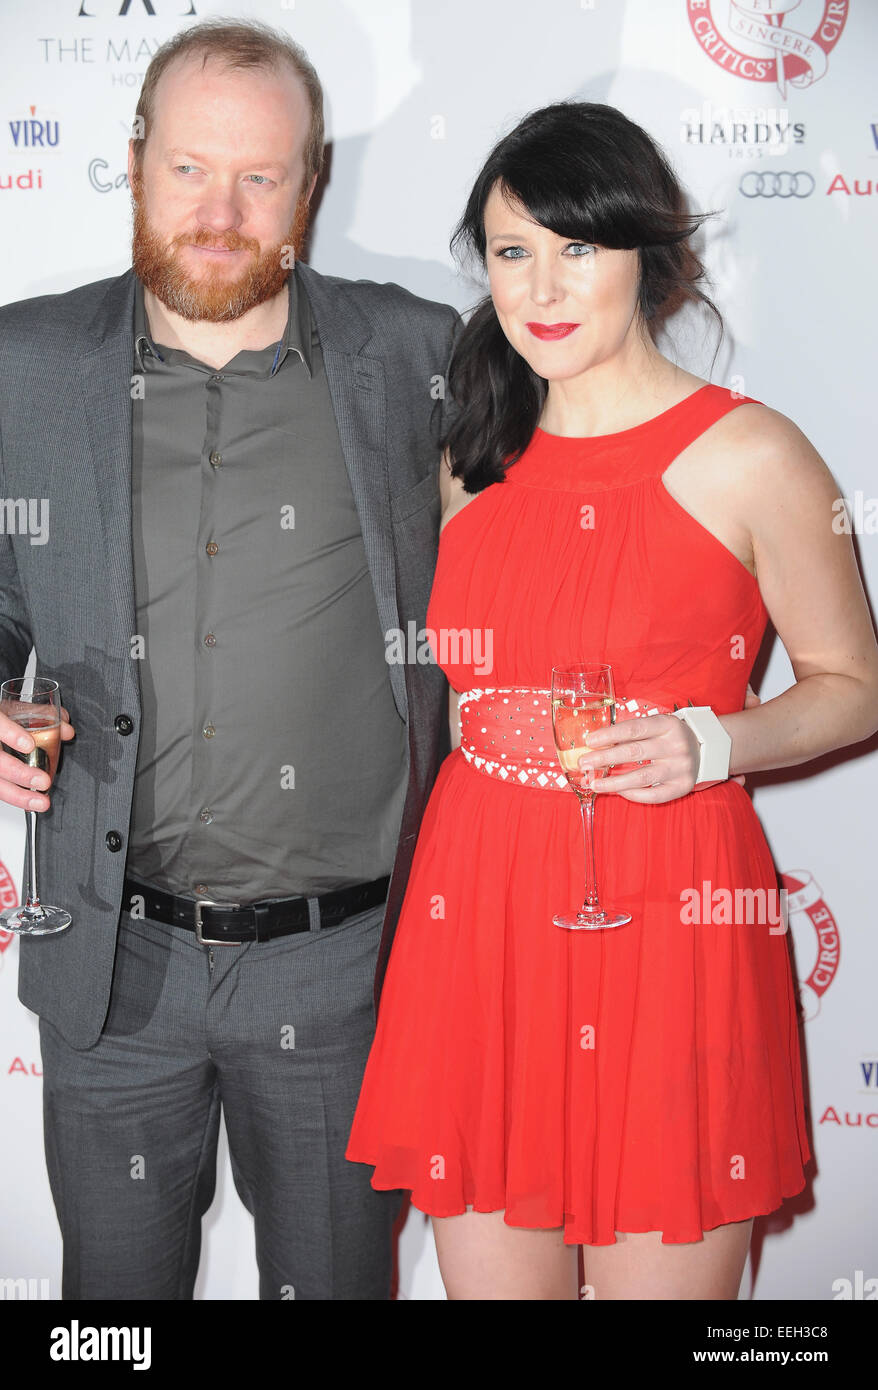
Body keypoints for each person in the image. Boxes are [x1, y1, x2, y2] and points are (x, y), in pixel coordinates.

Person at [345, 102, 878, 1300]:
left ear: (647, 254)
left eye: (575, 248)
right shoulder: (470, 455)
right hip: (480, 910)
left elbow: (853, 686)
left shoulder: (751, 454)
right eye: (511, 251)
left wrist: (712, 740)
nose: (541, 286)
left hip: (672, 911)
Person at [0, 18, 459, 1300]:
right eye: (191, 168)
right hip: (111, 968)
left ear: (309, 188)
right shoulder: (21, 367)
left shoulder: (417, 356)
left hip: (348, 969)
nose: (221, 209)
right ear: (134, 161)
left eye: (260, 176)